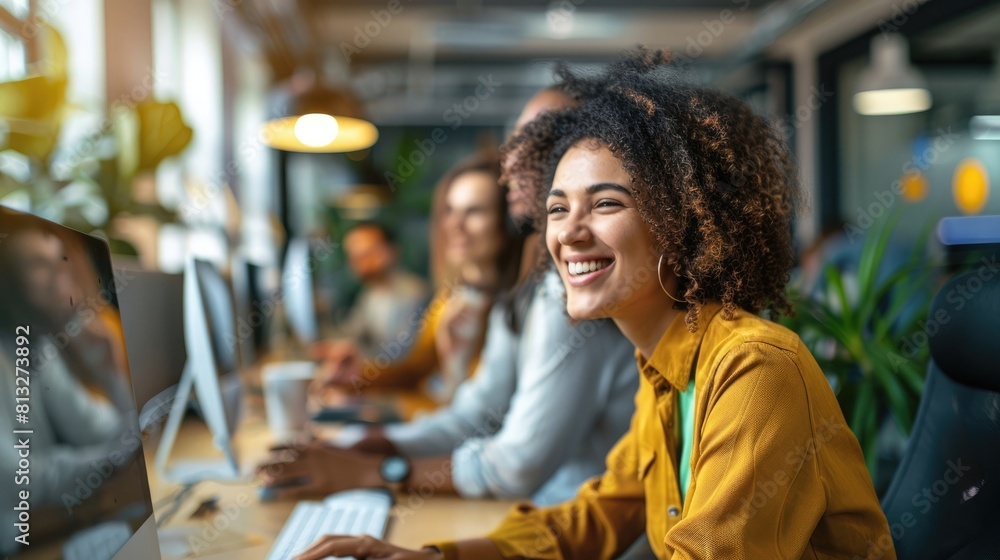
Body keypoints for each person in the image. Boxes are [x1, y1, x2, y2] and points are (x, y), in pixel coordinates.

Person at [290, 48, 896, 560]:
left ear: (678, 224)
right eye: (558, 208)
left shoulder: (754, 370)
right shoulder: (659, 368)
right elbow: (599, 513)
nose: (569, 234)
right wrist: (429, 555)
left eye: (606, 204)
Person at [257, 86, 640, 511]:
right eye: (513, 142)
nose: (508, 162)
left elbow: (515, 466)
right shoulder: (527, 289)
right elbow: (474, 413)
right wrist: (373, 443)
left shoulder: (574, 295)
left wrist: (376, 471)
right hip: (546, 518)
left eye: (538, 141)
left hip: (570, 525)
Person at [314, 152, 523, 416]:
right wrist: (357, 376)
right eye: (449, 211)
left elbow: (480, 413)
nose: (455, 224)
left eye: (474, 211)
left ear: (507, 222)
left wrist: (452, 370)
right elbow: (415, 370)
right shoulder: (450, 299)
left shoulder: (515, 307)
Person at [335, 222, 431, 358]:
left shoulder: (414, 293)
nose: (359, 263)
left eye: (368, 253)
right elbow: (357, 333)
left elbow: (398, 354)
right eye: (353, 256)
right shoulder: (371, 293)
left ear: (393, 251)